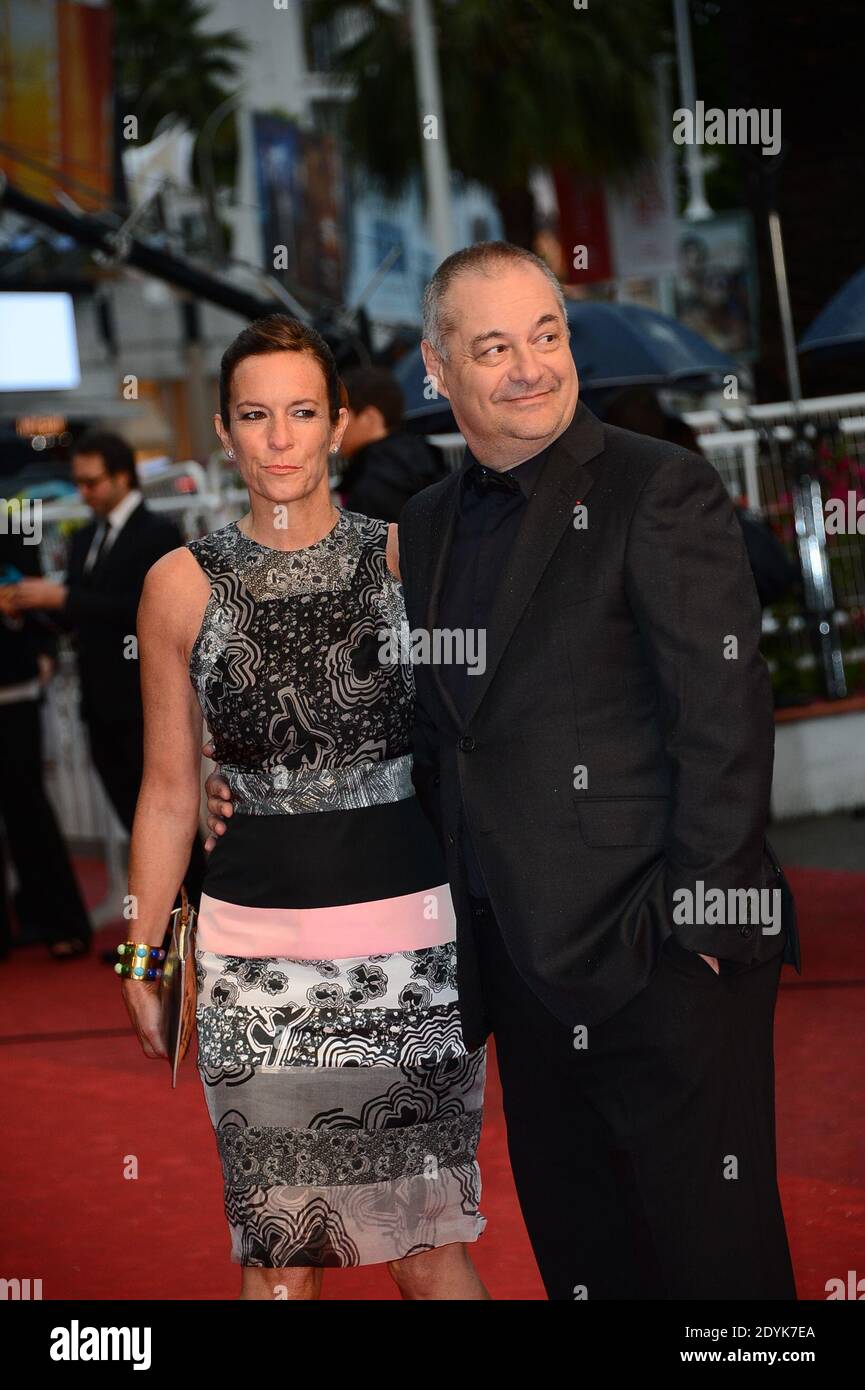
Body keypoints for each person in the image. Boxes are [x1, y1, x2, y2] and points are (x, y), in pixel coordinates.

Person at [206, 242, 802, 1301]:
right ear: (439, 368)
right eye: (494, 346)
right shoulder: (424, 527)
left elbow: (722, 714)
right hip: (511, 968)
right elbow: (425, 736)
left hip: (659, 960)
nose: (531, 366)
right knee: (587, 1254)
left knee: (713, 1261)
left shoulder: (656, 486)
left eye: (546, 334)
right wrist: (246, 788)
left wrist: (698, 935)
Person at [121, 314, 487, 1300]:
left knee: (428, 1249)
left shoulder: (413, 562)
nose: (278, 437)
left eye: (299, 413)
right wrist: (144, 952)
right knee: (281, 1254)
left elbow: (478, 742)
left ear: (337, 426)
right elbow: (163, 792)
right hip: (254, 964)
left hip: (410, 951)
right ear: (226, 431)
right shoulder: (178, 587)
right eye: (254, 414)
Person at [8, 431, 206, 940]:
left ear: (123, 476)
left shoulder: (156, 533)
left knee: (172, 827)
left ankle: (197, 929)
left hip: (148, 707)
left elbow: (141, 612)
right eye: (78, 483)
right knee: (134, 821)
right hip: (99, 703)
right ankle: (159, 933)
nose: (85, 492)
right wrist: (36, 610)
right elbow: (81, 617)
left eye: (92, 482)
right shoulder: (84, 536)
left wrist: (63, 600)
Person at [0, 528, 93, 959]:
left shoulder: (11, 525)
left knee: (29, 808)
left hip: (12, 689)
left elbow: (40, 607)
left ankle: (62, 921)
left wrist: (38, 644)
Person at [338, 365, 449, 521]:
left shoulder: (374, 484)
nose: (332, 427)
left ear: (370, 418)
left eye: (341, 417)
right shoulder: (423, 456)